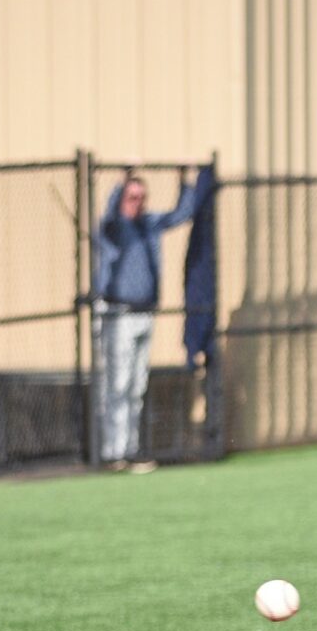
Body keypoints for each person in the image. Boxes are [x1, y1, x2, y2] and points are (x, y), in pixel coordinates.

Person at [92, 165, 209, 472]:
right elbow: (111, 212)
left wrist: (184, 178)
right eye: (132, 197)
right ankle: (111, 452)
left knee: (136, 385)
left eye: (141, 197)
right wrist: (124, 177)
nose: (137, 203)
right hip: (117, 313)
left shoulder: (149, 224)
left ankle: (129, 450)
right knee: (116, 383)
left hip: (145, 312)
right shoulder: (114, 227)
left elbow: (182, 213)